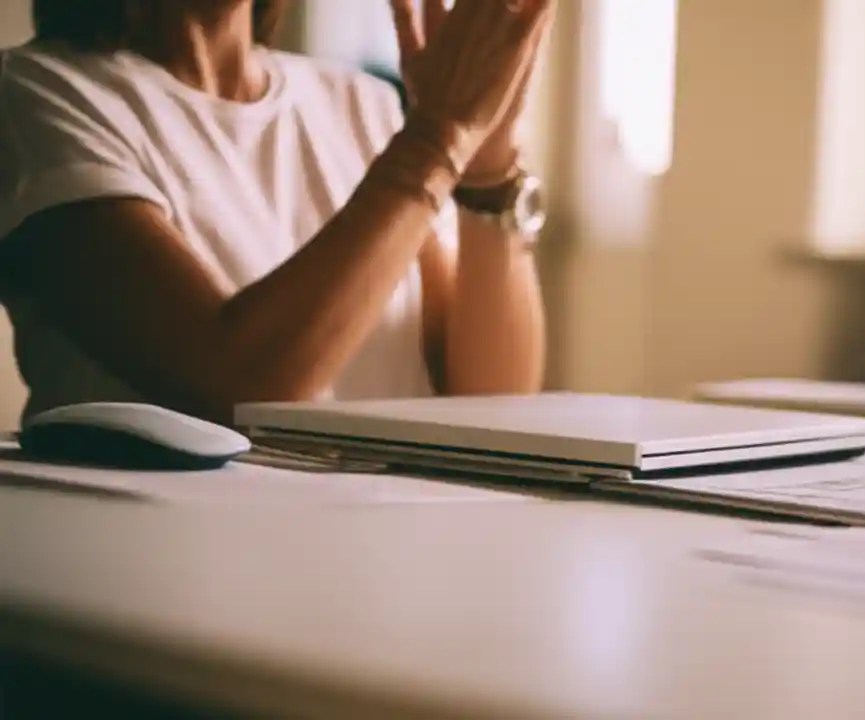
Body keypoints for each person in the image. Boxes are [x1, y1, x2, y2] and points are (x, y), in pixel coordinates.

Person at [0, 0, 551, 425]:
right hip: (181, 564)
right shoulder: (35, 96)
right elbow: (240, 385)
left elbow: (491, 397)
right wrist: (437, 139)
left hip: (390, 554)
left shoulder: (361, 103)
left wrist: (486, 170)